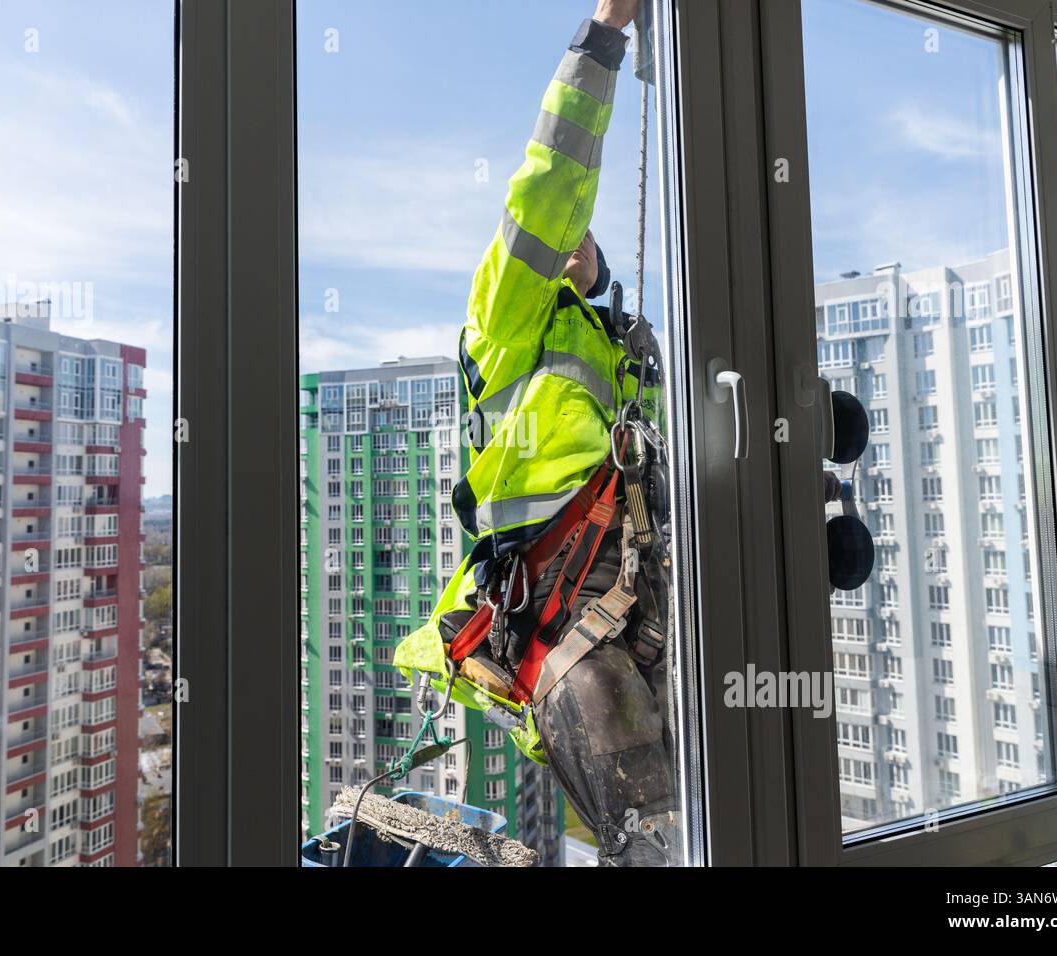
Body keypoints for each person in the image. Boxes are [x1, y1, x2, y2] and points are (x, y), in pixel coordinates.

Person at [394, 0, 678, 866]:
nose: (578, 236)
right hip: (561, 608)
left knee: (702, 800)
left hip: (643, 596)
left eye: (585, 234)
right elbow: (553, 177)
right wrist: (605, 36)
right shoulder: (506, 315)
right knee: (654, 837)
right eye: (568, 229)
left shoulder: (616, 343)